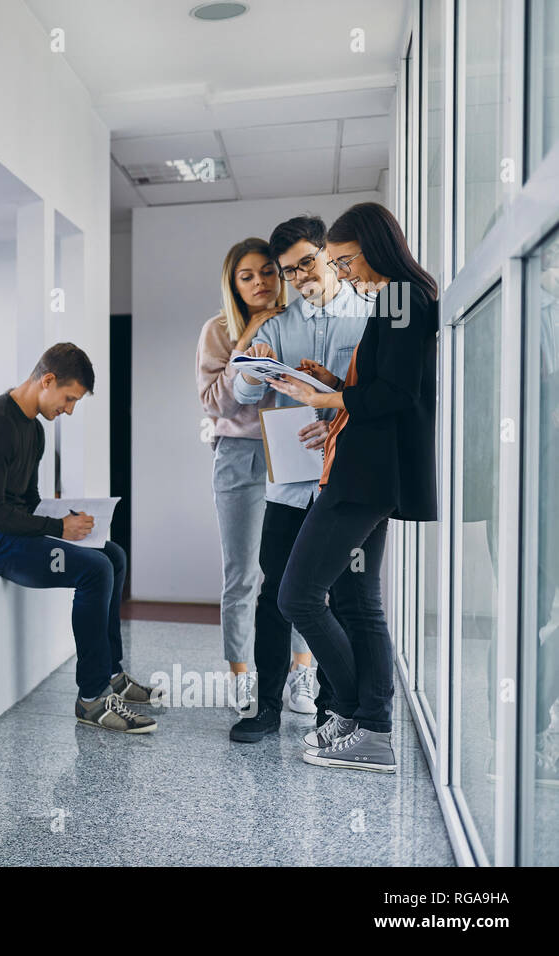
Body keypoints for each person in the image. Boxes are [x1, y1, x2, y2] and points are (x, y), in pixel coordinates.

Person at [269, 202, 439, 774]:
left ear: (372, 247)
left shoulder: (400, 298)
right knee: (356, 602)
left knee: (297, 596)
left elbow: (398, 394)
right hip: (368, 469)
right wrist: (332, 383)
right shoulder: (397, 300)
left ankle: (357, 716)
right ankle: (369, 724)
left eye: (344, 261)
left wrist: (330, 398)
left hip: (364, 475)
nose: (343, 274)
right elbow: (382, 387)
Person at [226, 216, 372, 743]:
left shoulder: (369, 312)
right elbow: (242, 396)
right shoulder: (276, 326)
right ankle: (265, 708)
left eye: (307, 262)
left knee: (343, 595)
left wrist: (340, 409)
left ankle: (335, 710)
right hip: (289, 483)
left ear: (327, 254)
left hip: (347, 480)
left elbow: (381, 392)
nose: (299, 276)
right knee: (274, 593)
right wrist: (251, 369)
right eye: (288, 271)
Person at [0, 343, 160, 733]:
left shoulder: (35, 431)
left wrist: (67, 518)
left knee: (113, 555)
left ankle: (111, 674)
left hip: (11, 532)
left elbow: (28, 502)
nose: (69, 410)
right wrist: (58, 529)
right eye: (69, 398)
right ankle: (91, 699)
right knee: (94, 570)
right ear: (48, 380)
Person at [195, 238, 285, 713]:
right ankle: (240, 673)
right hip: (239, 453)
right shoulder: (218, 331)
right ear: (234, 282)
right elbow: (214, 403)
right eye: (246, 276)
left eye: (267, 272)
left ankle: (301, 670)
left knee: (295, 571)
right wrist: (248, 337)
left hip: (294, 451)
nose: (259, 283)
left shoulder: (301, 321)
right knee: (242, 573)